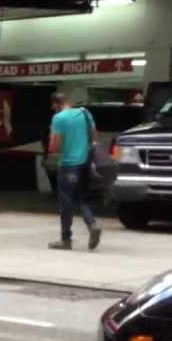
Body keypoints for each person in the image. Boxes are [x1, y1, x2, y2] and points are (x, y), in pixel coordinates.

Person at [47, 93, 102, 250]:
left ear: (57, 104)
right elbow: (95, 136)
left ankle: (66, 240)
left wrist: (55, 136)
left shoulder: (58, 119)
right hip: (85, 163)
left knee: (66, 203)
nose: (53, 109)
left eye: (53, 106)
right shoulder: (85, 113)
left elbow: (54, 147)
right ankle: (92, 224)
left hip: (68, 165)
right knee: (82, 198)